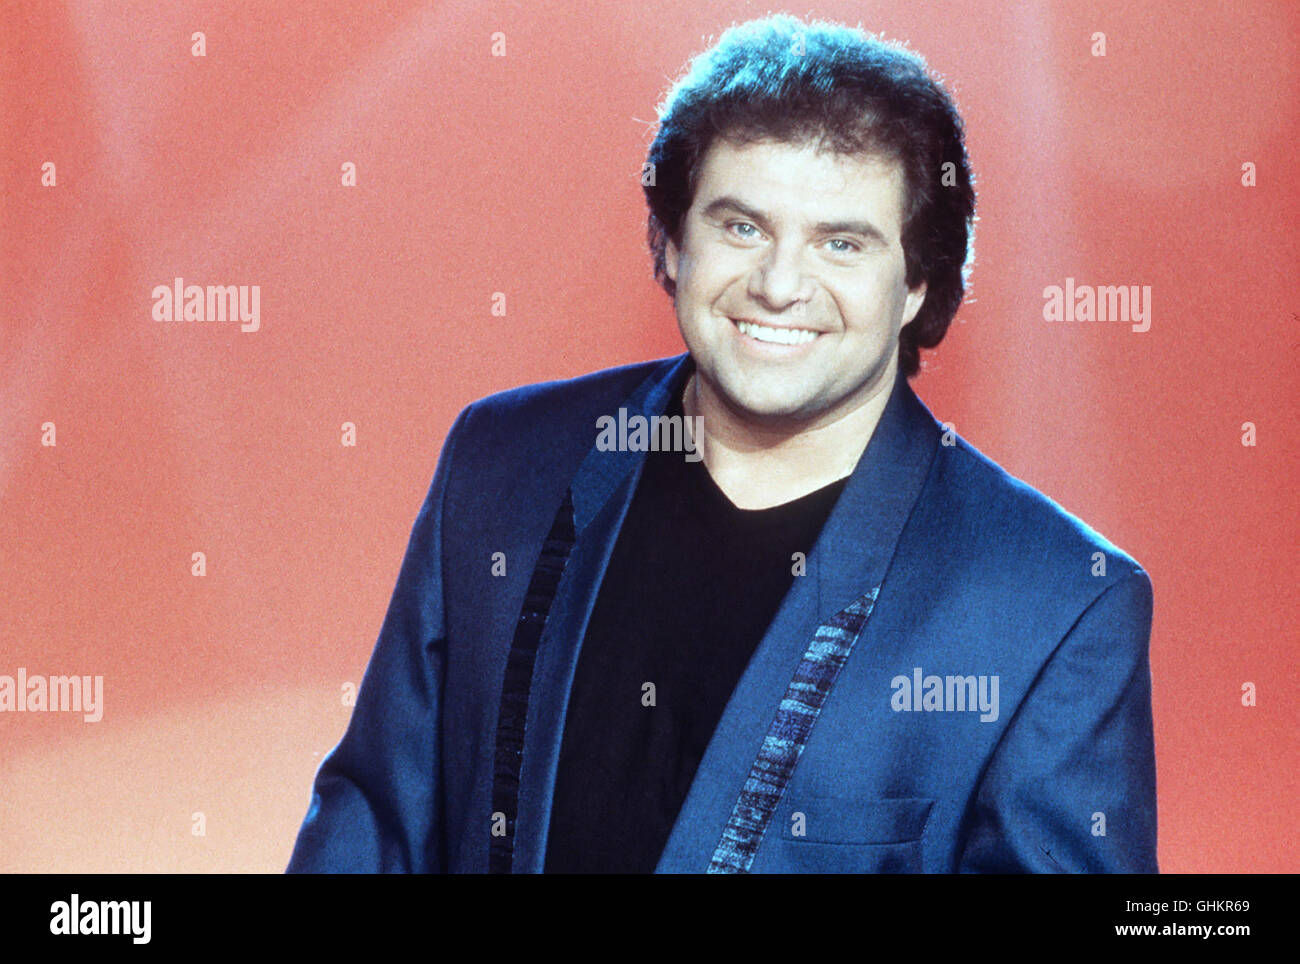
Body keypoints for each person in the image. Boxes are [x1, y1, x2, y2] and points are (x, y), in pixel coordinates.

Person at [287, 14, 1157, 874]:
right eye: (742, 227)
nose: (779, 285)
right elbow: (373, 827)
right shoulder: (504, 462)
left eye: (841, 244)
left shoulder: (1052, 602)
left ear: (916, 286)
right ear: (671, 242)